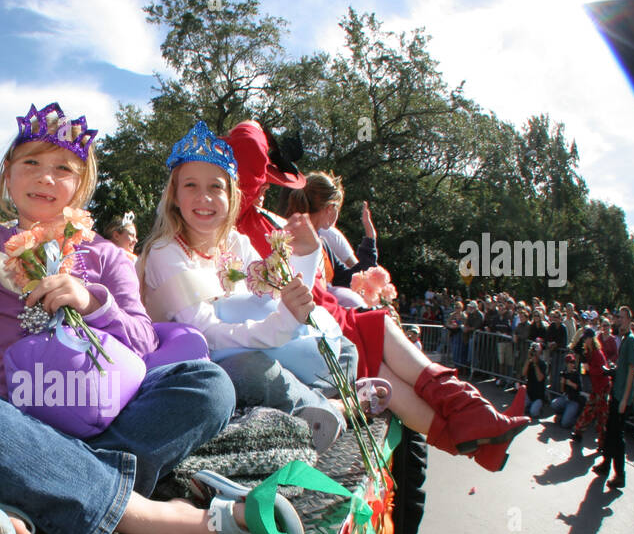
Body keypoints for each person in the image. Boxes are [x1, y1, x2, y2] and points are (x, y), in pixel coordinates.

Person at [0, 102, 268, 534]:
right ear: (7, 177)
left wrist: (93, 302)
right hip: (15, 416)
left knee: (209, 385)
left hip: (104, 414)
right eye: (31, 164)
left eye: (63, 169)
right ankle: (150, 517)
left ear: (81, 184)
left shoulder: (106, 254)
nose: (45, 178)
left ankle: (23, 493)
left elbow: (143, 341)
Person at [226, 121, 530, 471]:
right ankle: (475, 424)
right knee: (379, 339)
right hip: (307, 329)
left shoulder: (267, 220)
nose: (264, 188)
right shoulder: (237, 224)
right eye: (261, 180)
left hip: (324, 319)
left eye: (269, 181)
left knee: (383, 362)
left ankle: (476, 435)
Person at [139, 120, 351, 452]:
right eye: (191, 185)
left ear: (232, 194)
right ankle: (328, 410)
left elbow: (277, 295)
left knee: (341, 341)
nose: (204, 197)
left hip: (247, 340)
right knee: (250, 371)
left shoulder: (236, 243)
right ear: (175, 196)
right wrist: (279, 327)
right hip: (196, 362)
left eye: (216, 187)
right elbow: (207, 333)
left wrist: (307, 255)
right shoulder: (166, 252)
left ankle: (328, 397)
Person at [593, 305, 634, 488]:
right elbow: (622, 369)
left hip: (622, 397)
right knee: (610, 432)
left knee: (617, 437)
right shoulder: (624, 339)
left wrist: (624, 400)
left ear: (628, 320)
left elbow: (631, 371)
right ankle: (605, 464)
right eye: (617, 317)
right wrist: (612, 372)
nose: (618, 320)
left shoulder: (632, 341)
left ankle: (620, 475)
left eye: (622, 317)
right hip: (616, 392)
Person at [571, 329, 610, 447]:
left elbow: (602, 371)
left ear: (591, 339)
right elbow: (575, 349)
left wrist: (589, 370)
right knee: (588, 410)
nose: (585, 340)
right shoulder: (588, 352)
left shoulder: (598, 354)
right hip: (595, 386)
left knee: (601, 416)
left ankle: (603, 443)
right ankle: (578, 433)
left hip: (602, 387)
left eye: (586, 338)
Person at [521, 341, 548, 417]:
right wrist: (528, 359)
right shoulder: (529, 362)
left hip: (538, 396)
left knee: (533, 413)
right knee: (521, 408)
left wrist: (535, 364)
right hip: (529, 393)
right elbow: (523, 373)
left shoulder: (542, 364)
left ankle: (538, 407)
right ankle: (529, 406)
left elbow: (540, 379)